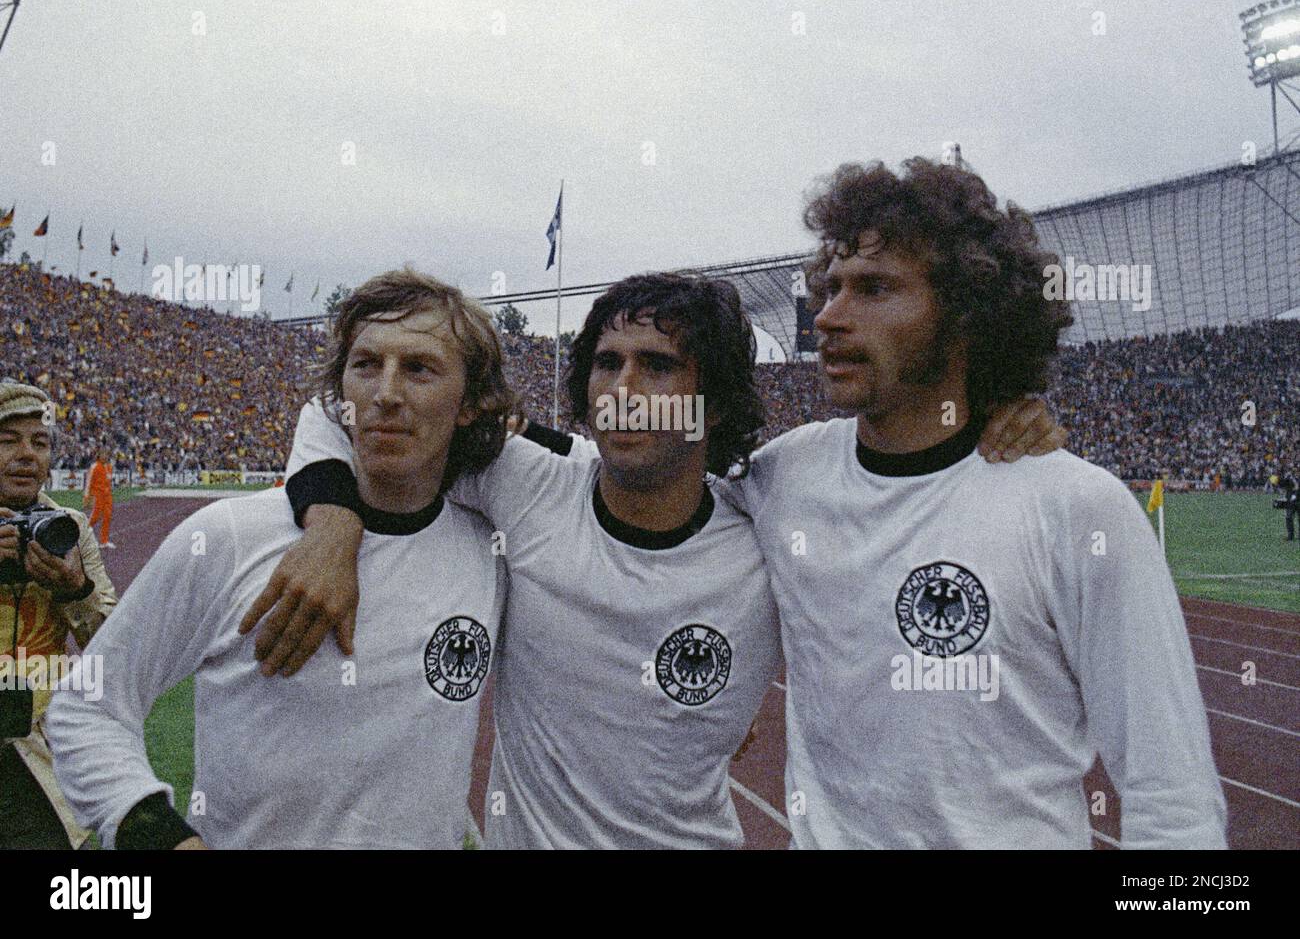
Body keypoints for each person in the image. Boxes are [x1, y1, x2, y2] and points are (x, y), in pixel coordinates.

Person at [246, 268, 1063, 847]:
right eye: (608, 363)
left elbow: (905, 467)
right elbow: (338, 407)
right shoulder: (525, 480)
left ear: (715, 396)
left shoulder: (774, 512)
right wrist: (331, 527)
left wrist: (996, 409)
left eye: (659, 366)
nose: (623, 387)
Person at [724, 157, 1226, 847]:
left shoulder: (1078, 508)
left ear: (964, 316)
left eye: (873, 289)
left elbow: (1171, 794)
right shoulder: (783, 477)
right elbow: (625, 481)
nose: (829, 316)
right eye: (831, 288)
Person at [46, 269, 511, 848]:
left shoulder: (493, 554)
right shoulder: (229, 537)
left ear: (470, 403)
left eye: (419, 369)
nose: (386, 393)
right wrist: (158, 838)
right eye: (365, 366)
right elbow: (88, 705)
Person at [0, 380, 117, 849]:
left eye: (40, 442)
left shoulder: (69, 530)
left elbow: (111, 650)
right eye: (8, 441)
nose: (27, 454)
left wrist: (74, 588)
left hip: (37, 753)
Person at [83, 447, 114, 549]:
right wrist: (87, 496)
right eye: (102, 454)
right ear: (99, 455)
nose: (105, 456)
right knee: (95, 517)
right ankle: (83, 536)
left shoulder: (109, 467)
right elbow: (88, 482)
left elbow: (109, 481)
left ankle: (104, 541)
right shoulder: (95, 466)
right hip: (97, 495)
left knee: (107, 516)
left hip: (107, 496)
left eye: (106, 454)